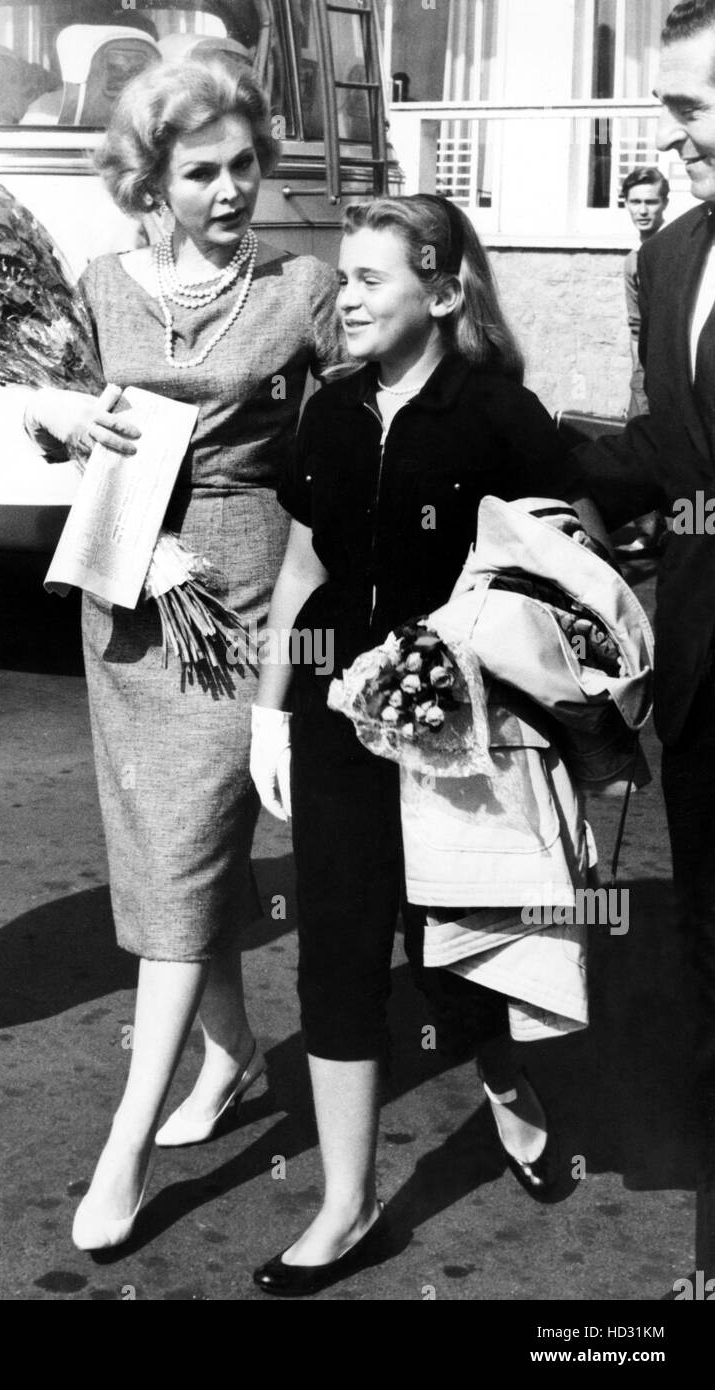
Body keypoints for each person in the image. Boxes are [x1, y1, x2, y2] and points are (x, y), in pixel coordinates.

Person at [248, 195, 610, 1297]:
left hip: (464, 728)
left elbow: (568, 566)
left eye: (367, 279)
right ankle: (348, 1206)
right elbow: (303, 569)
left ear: (443, 292)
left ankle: (502, 1082)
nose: (342, 297)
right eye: (340, 277)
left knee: (450, 943)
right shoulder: (328, 412)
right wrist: (273, 703)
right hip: (336, 722)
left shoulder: (501, 415)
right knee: (339, 951)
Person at [24, 59, 345, 1251]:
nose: (229, 188)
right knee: (163, 854)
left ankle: (123, 1150)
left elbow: (370, 413)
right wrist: (60, 418)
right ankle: (234, 1054)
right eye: (199, 170)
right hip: (125, 596)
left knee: (187, 849)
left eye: (243, 165)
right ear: (148, 182)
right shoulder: (101, 284)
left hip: (244, 598)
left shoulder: (300, 287)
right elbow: (53, 409)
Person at [573, 0, 715, 1283]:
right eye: (673, 107)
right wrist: (513, 443)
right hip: (706, 673)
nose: (678, 133)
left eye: (697, 106)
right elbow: (662, 456)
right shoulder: (671, 254)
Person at [622, 166, 670, 420]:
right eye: (635, 202)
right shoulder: (633, 261)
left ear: (664, 203)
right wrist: (639, 380)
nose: (642, 210)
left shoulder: (676, 253)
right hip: (645, 375)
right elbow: (636, 327)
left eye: (651, 202)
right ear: (626, 204)